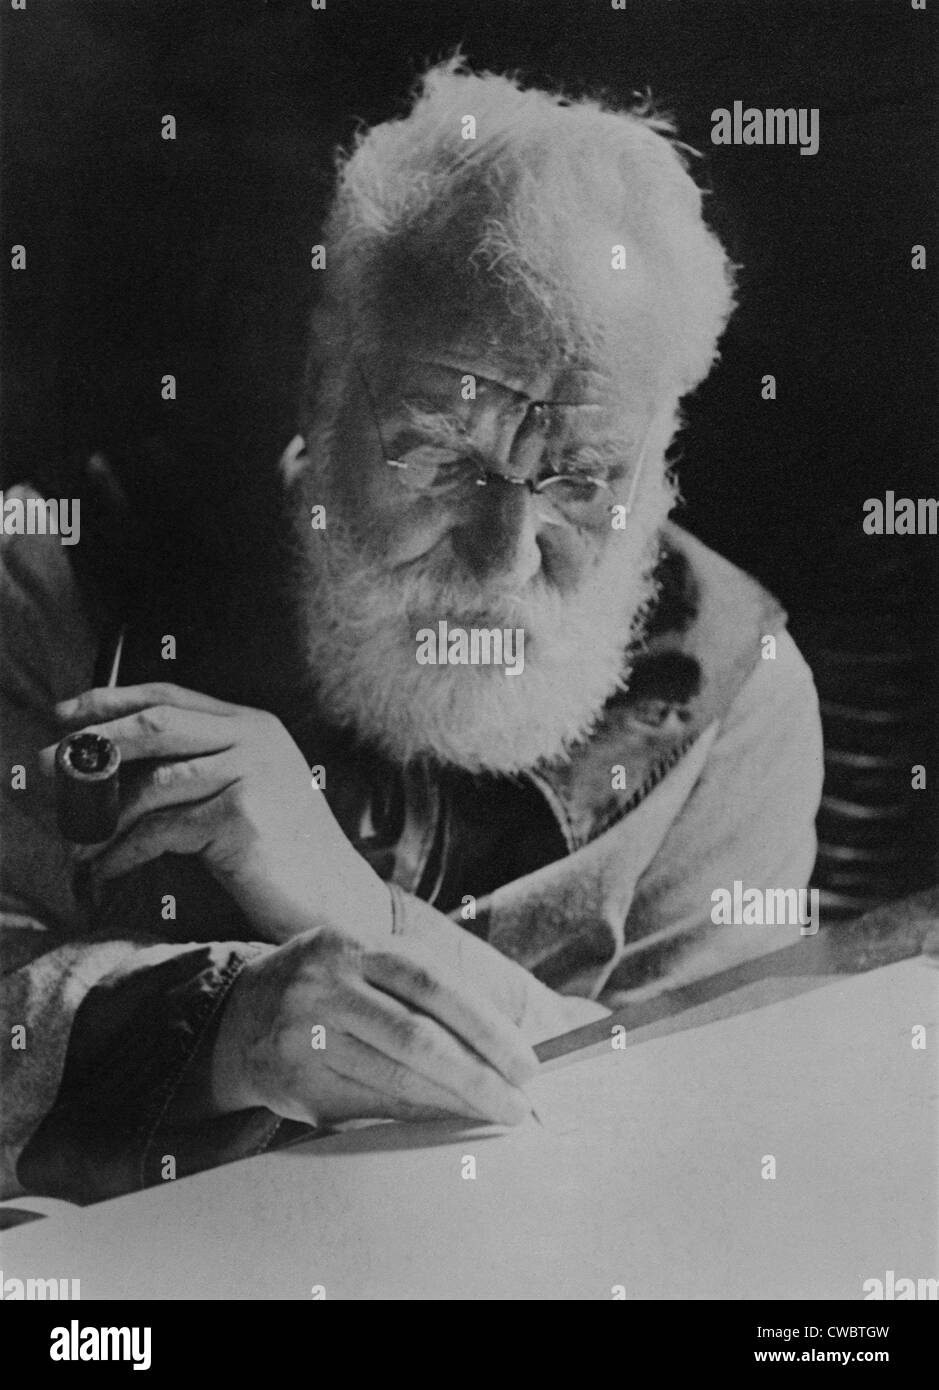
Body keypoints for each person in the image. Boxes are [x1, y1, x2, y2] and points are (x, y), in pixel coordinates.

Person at [0, 59, 823, 1204]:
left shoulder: (740, 700)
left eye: (583, 477)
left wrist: (349, 906)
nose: (503, 555)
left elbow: (724, 1122)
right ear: (320, 385)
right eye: (443, 455)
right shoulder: (58, 588)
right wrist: (226, 1023)